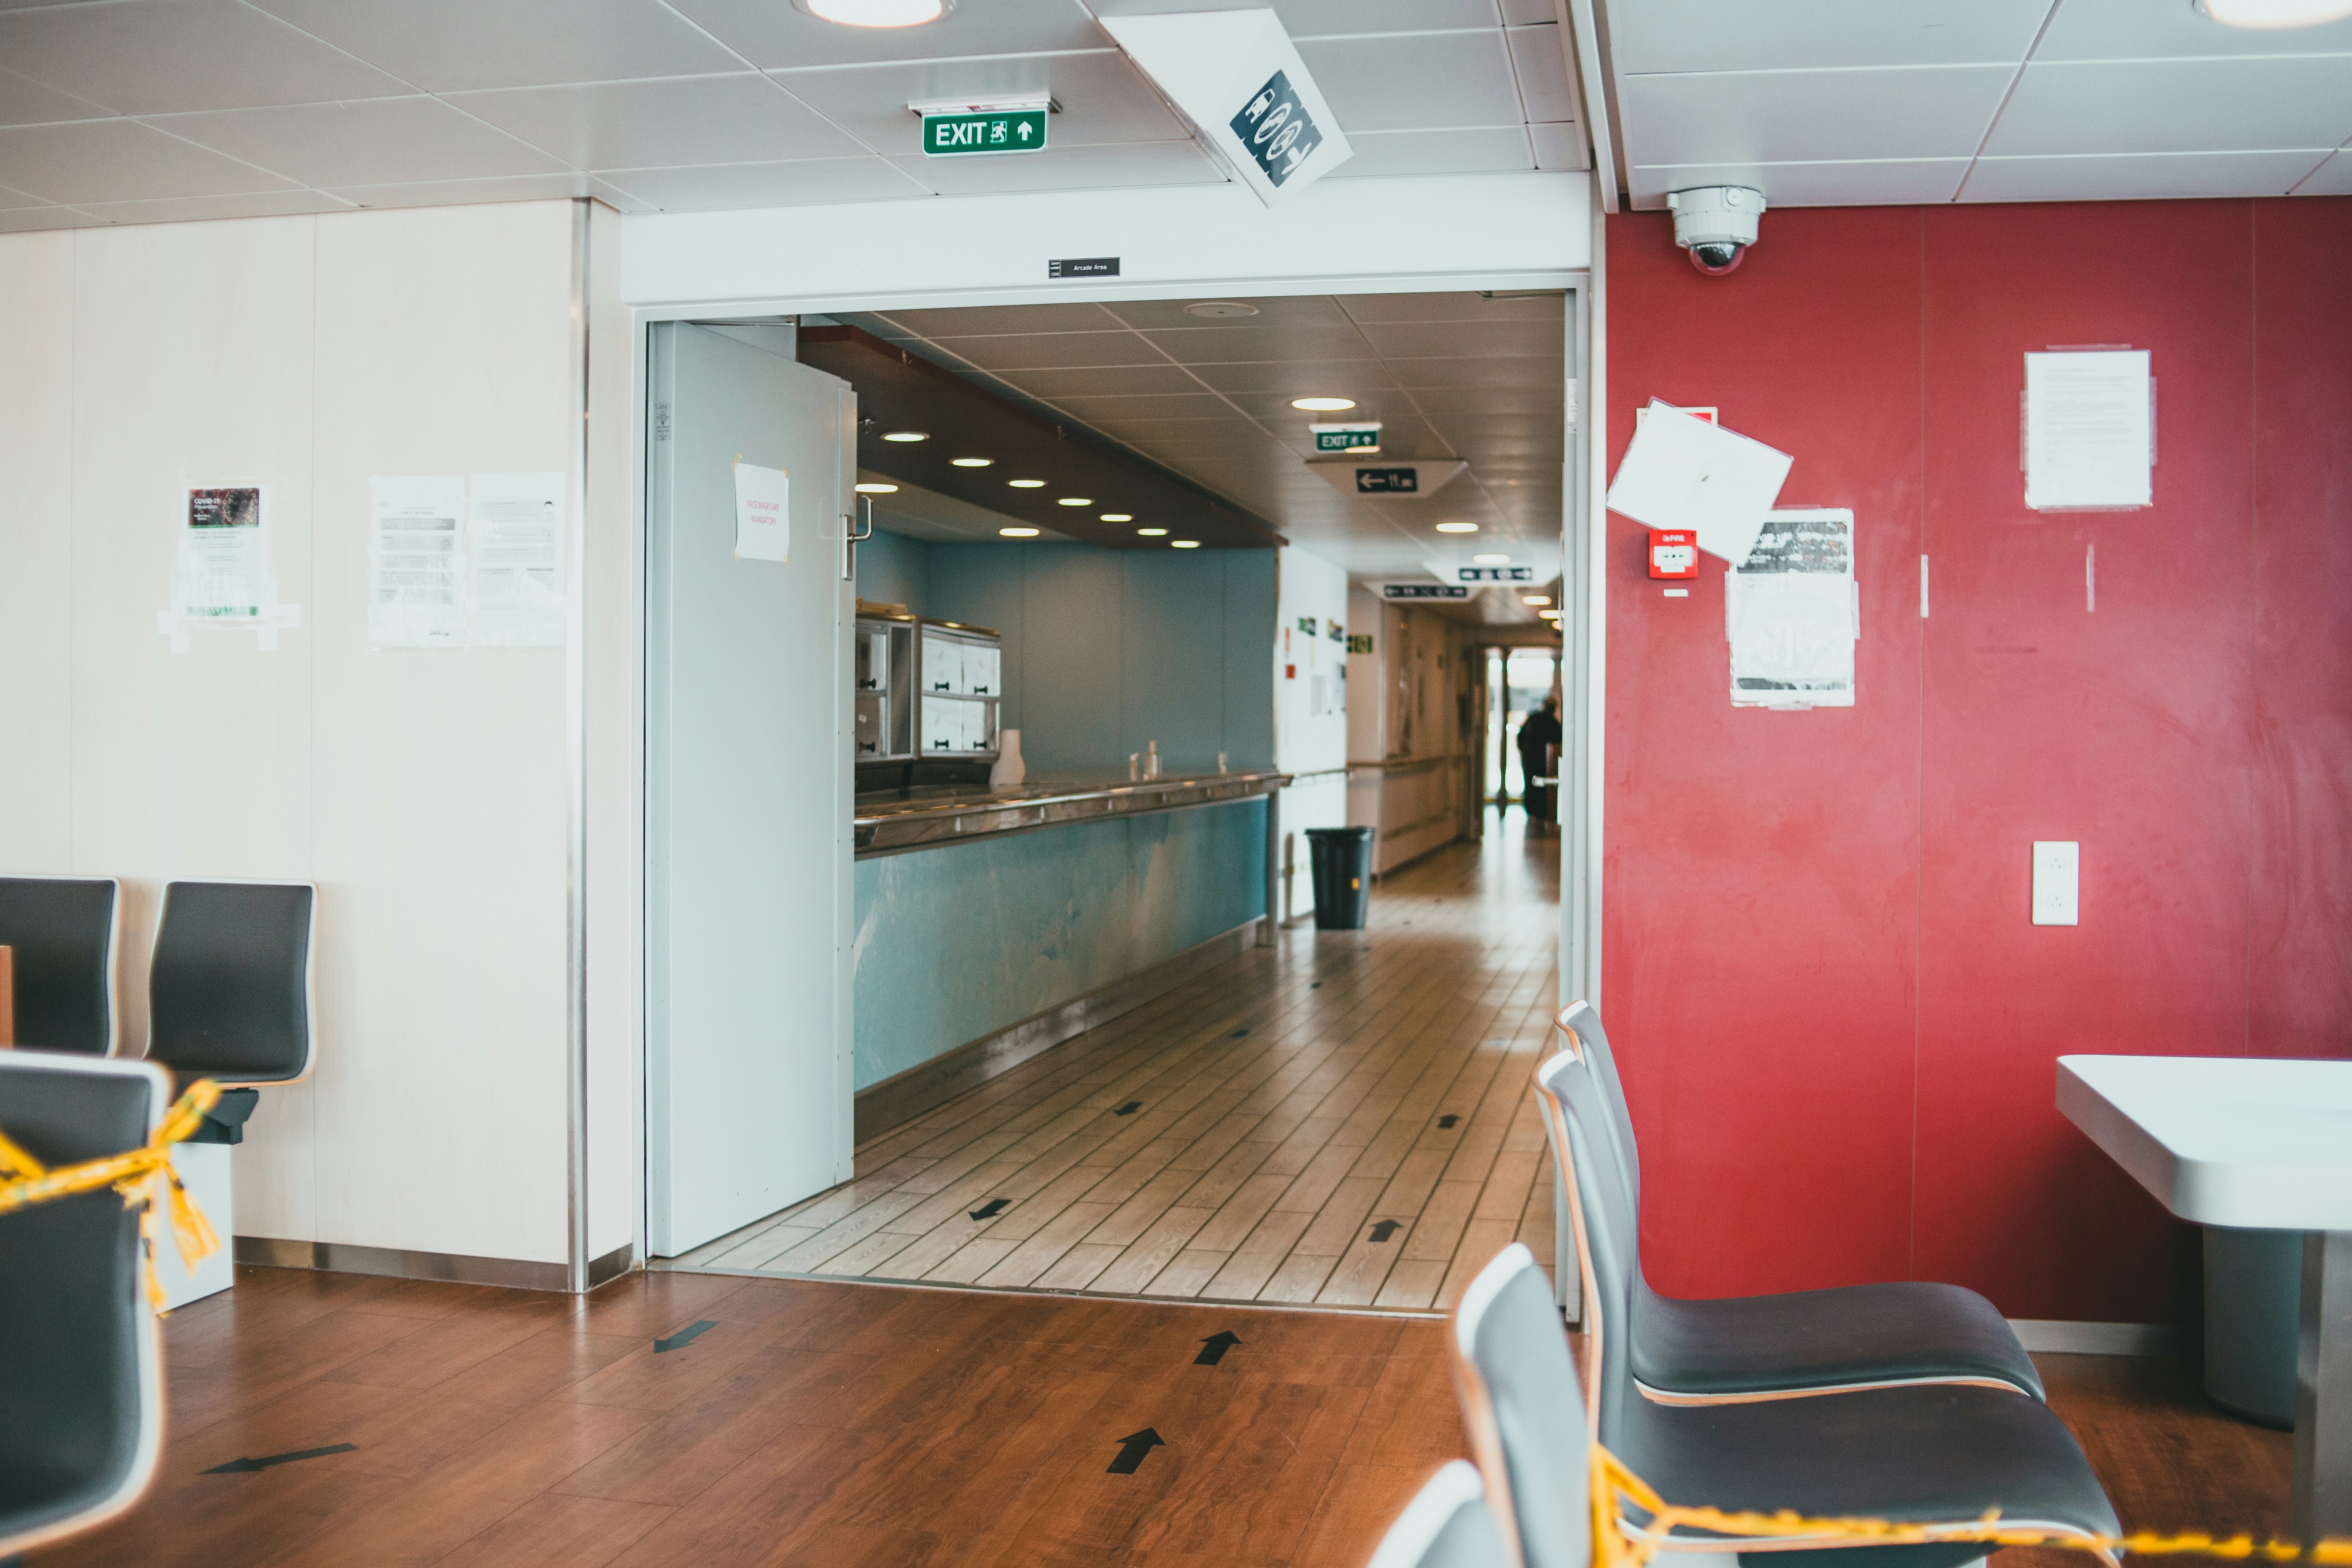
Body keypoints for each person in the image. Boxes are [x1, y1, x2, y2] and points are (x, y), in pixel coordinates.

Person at [1516, 698, 1562, 830]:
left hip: (1529, 759)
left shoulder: (1533, 719)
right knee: (1542, 787)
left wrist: (1524, 752)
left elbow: (1520, 738)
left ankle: (1532, 811)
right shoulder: (1552, 723)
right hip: (1542, 761)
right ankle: (1538, 812)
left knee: (1531, 784)